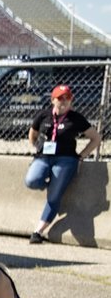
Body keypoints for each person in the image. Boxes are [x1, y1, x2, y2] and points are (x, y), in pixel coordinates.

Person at [25, 84, 101, 243]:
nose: (64, 101)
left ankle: (38, 232)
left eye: (68, 98)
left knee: (54, 196)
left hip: (66, 159)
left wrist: (81, 156)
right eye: (60, 98)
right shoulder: (44, 115)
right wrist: (36, 146)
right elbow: (32, 133)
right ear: (53, 100)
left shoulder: (76, 118)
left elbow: (96, 138)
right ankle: (53, 184)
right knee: (31, 181)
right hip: (44, 157)